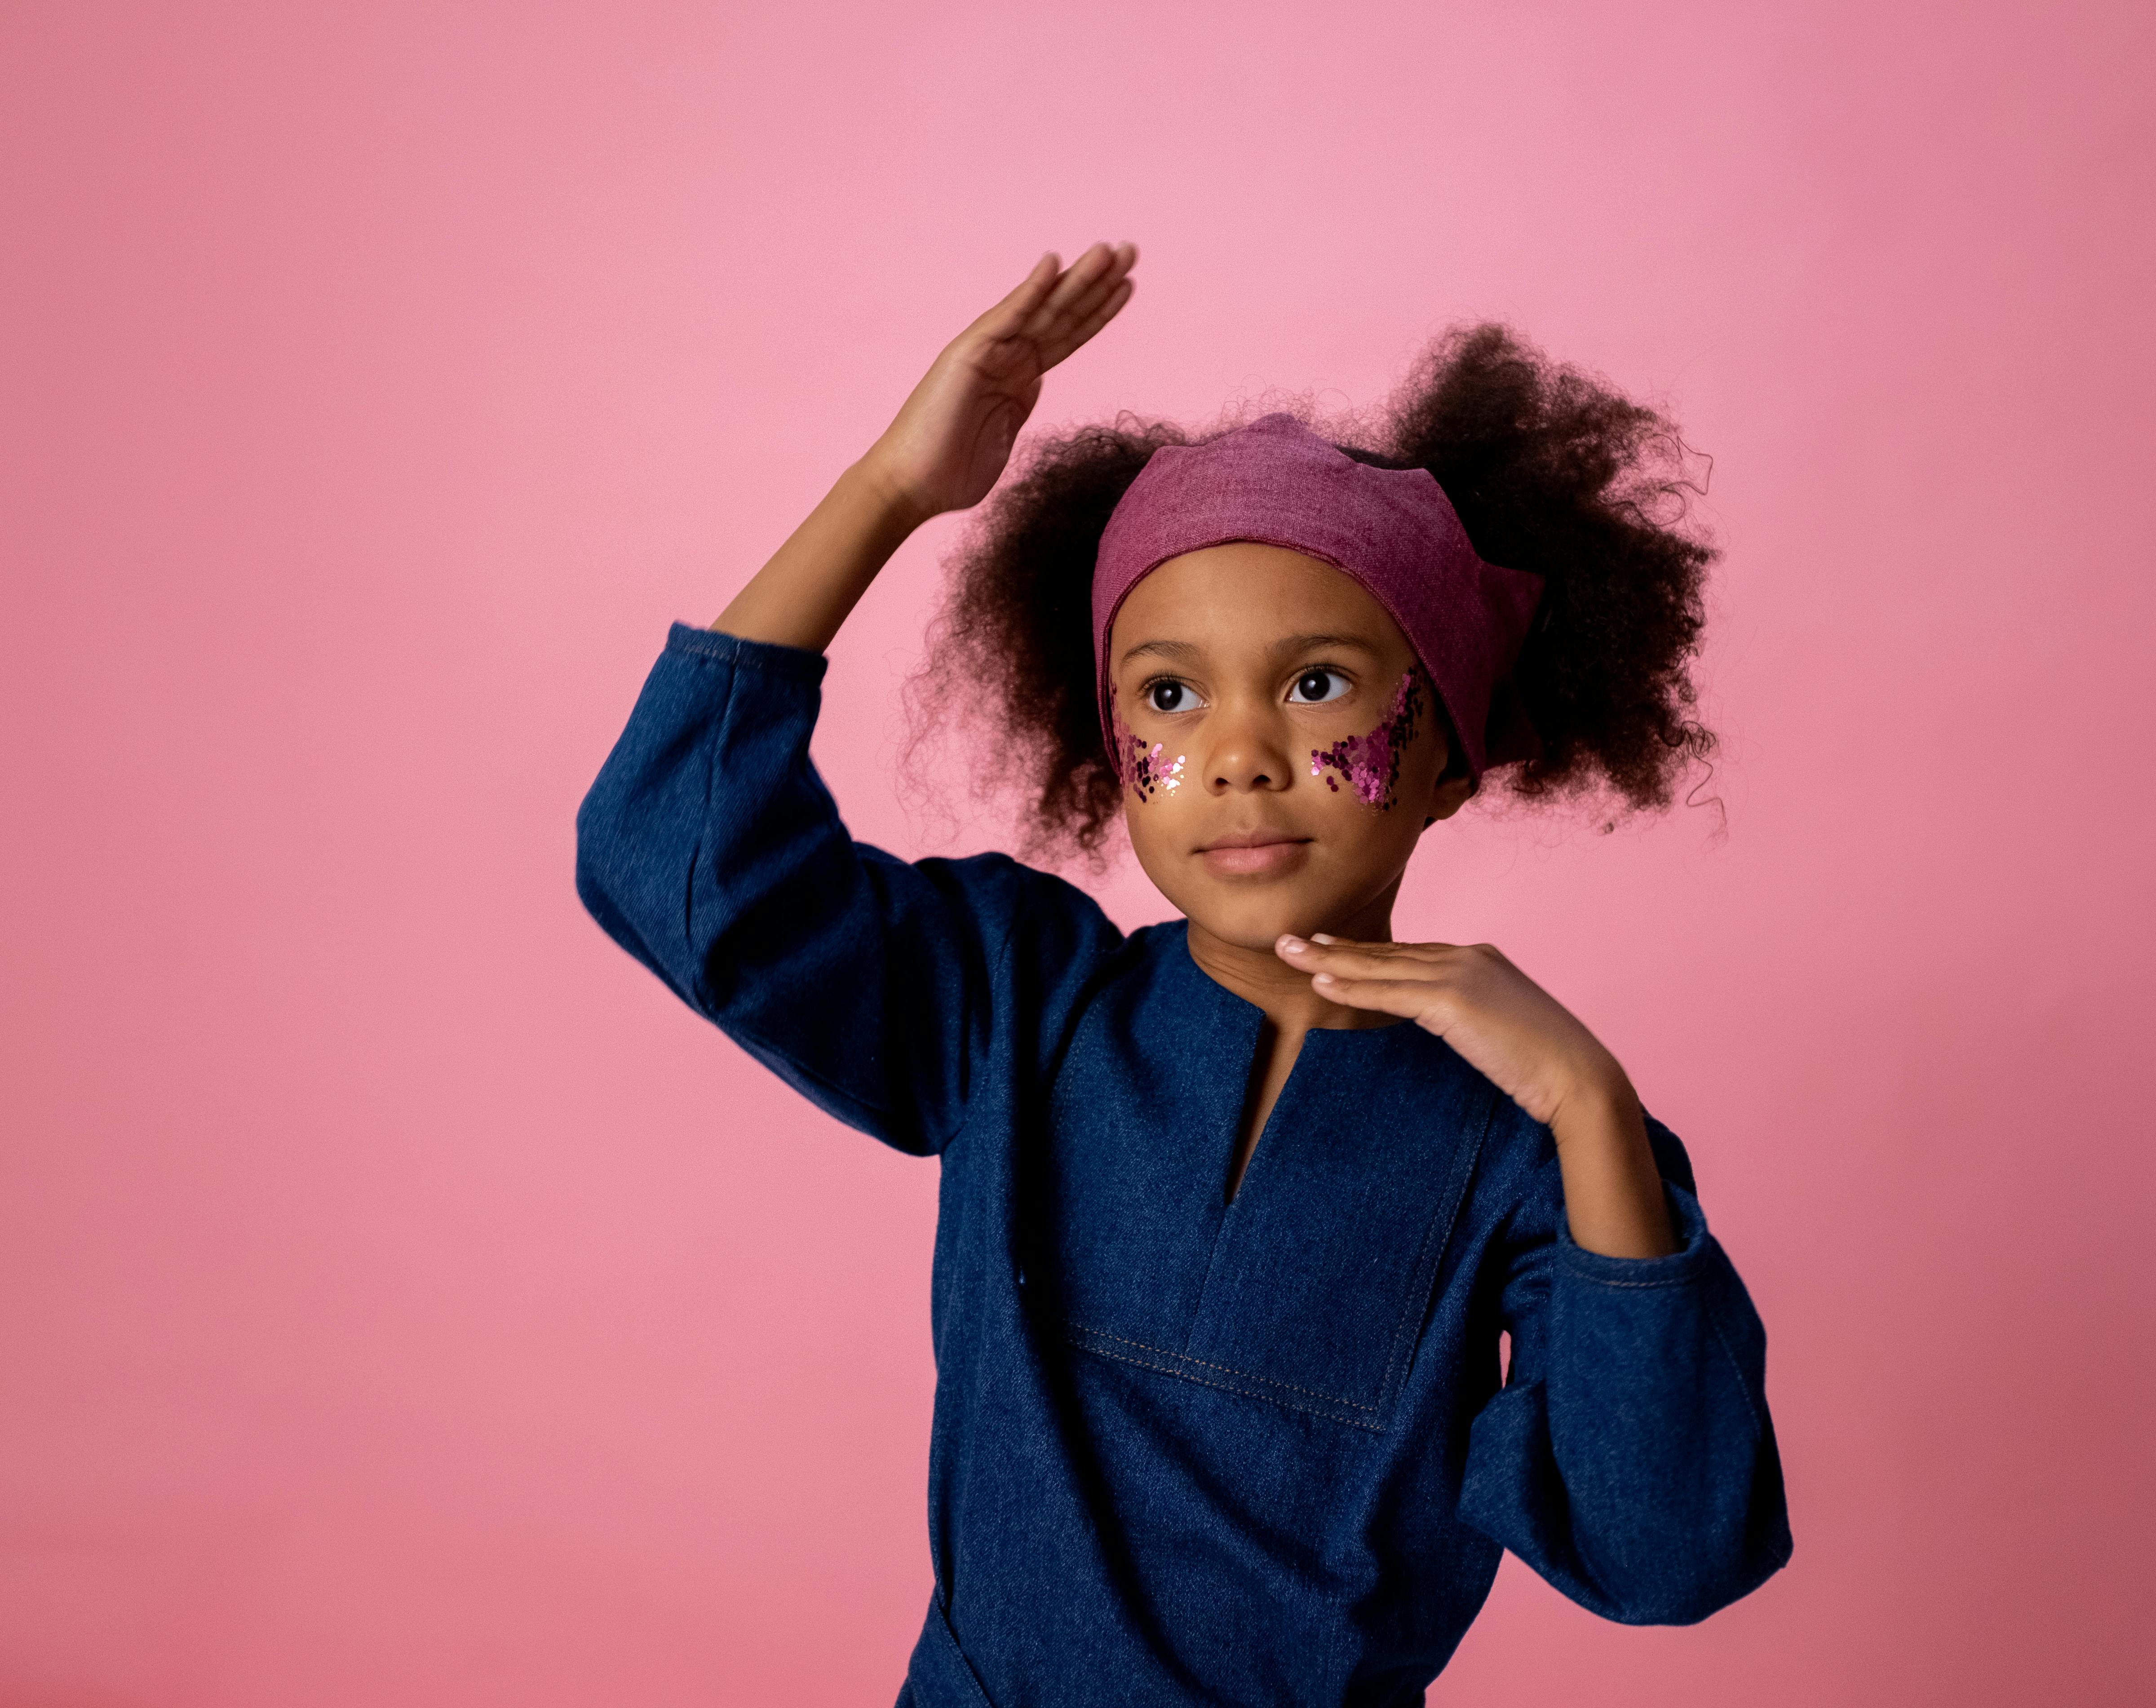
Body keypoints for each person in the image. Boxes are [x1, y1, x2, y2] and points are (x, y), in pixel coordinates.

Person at [575, 242, 1790, 1707]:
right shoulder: (1013, 1000)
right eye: (1169, 694)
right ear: (1112, 749)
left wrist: (1590, 1099)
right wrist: (893, 488)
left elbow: (1667, 1549)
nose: (1237, 751)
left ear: (1450, 750)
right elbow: (671, 859)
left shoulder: (1531, 1150)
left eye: (1317, 683)